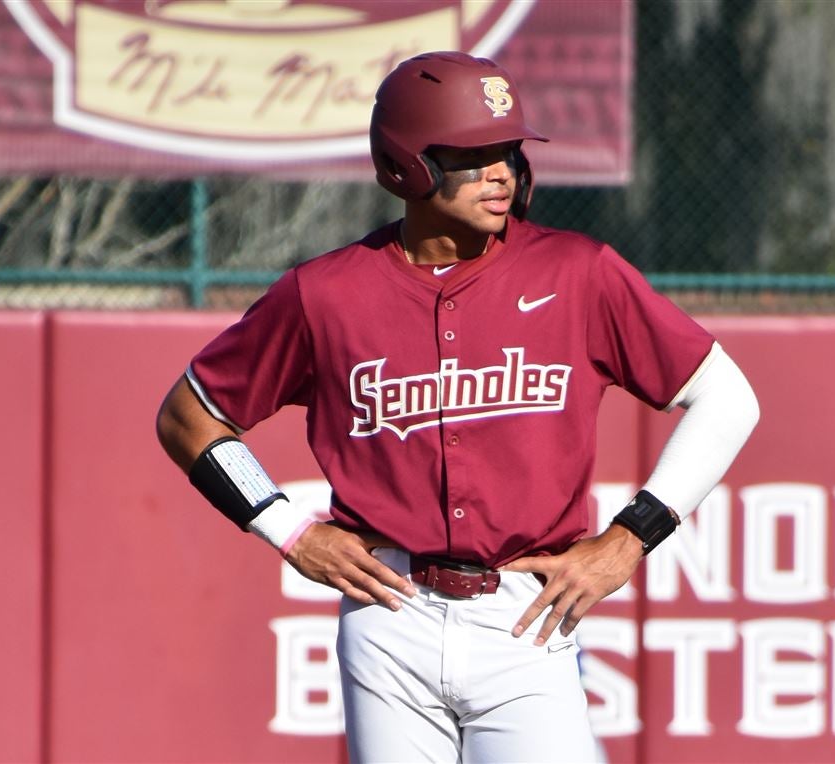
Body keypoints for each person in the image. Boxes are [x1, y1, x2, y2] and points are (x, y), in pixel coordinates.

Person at [156, 51, 759, 763]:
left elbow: (726, 399)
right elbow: (188, 416)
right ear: (405, 163)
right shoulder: (324, 294)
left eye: (507, 150)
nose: (501, 171)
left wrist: (629, 538)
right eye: (473, 155)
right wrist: (289, 530)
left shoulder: (577, 272)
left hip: (526, 615)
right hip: (389, 610)